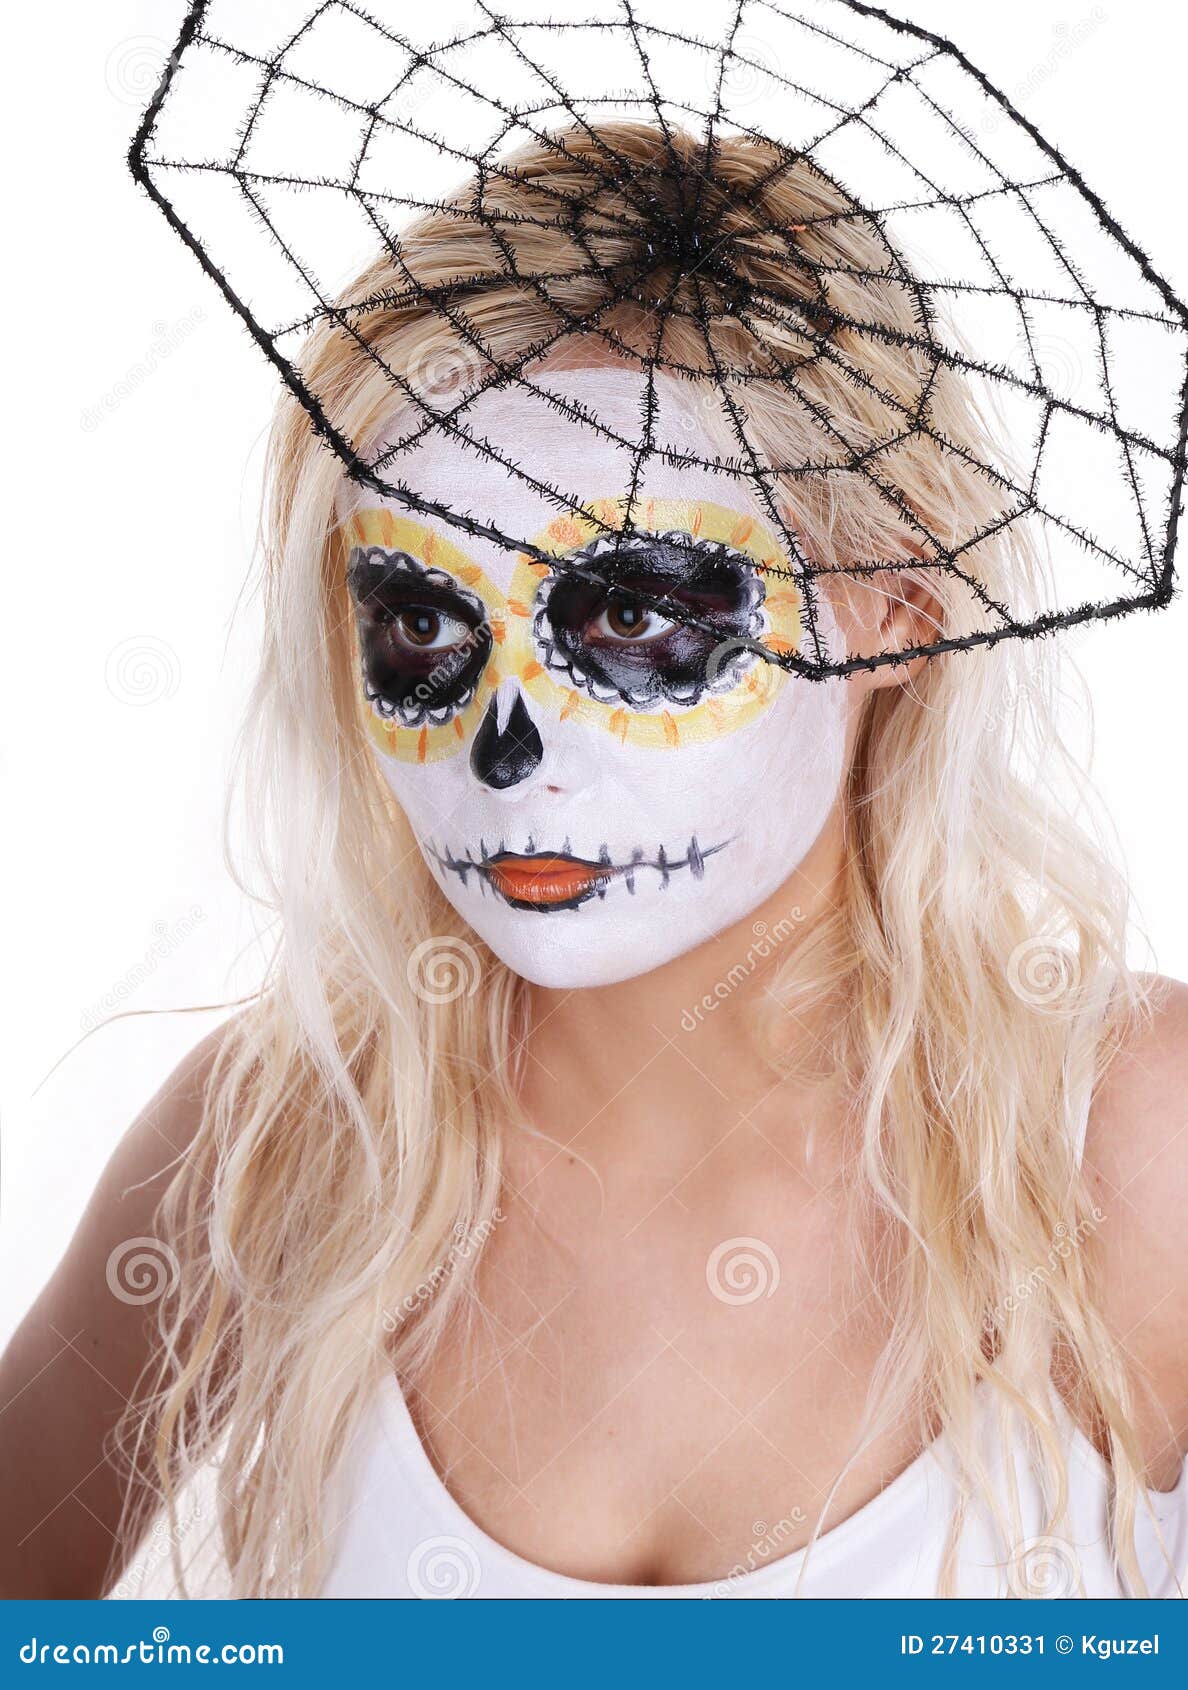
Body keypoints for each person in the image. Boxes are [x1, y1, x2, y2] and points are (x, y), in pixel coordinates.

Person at [2, 123, 1185, 1599]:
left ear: (895, 614)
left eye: (627, 618)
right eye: (425, 623)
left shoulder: (1137, 1140)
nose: (504, 751)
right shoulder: (285, 1144)